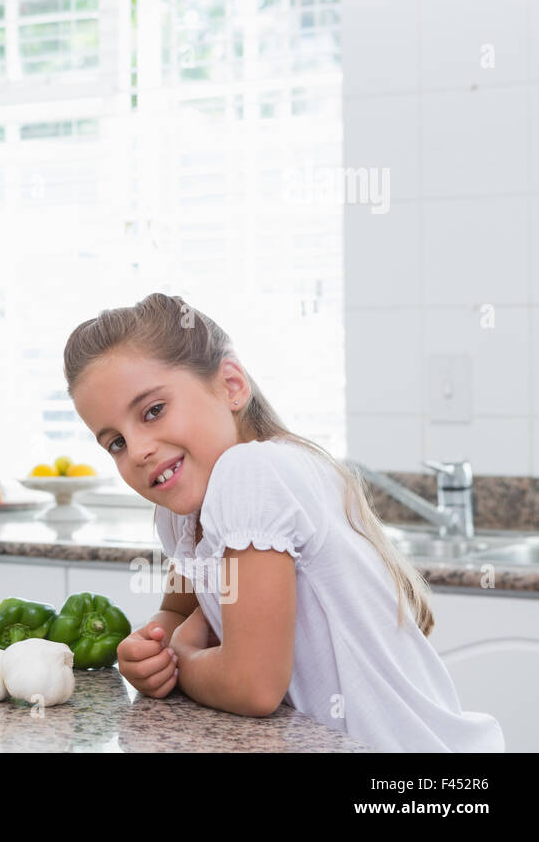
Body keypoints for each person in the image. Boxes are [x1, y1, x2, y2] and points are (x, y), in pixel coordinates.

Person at [64, 292, 504, 752]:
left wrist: (181, 659)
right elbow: (177, 612)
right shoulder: (184, 512)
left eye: (153, 411)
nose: (137, 451)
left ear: (231, 385)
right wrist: (149, 651)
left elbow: (252, 685)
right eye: (114, 442)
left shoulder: (252, 474)